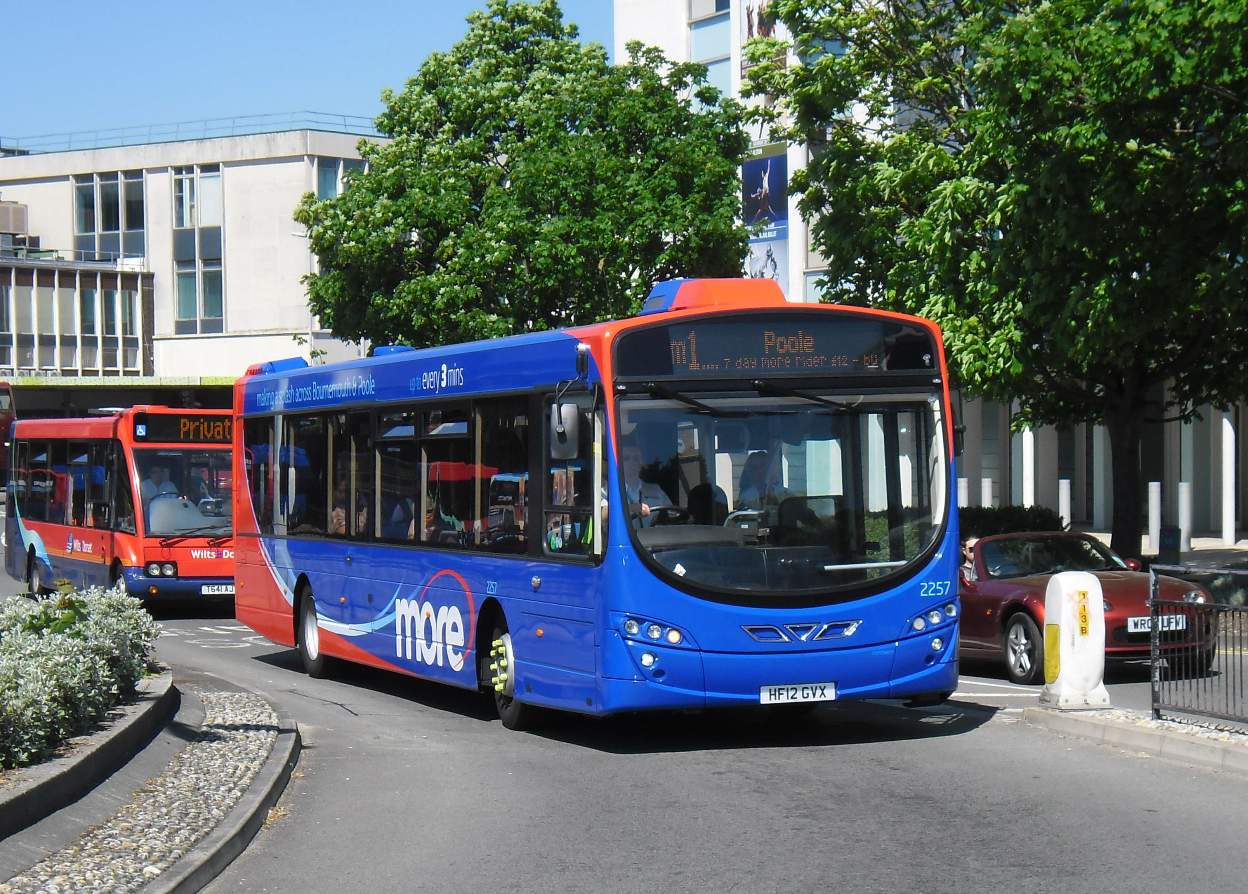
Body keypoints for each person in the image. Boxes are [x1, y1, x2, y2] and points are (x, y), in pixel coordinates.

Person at [620, 444, 670, 524]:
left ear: (641, 463)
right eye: (626, 458)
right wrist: (631, 508)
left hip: (655, 535)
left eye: (636, 458)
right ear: (619, 462)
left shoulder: (655, 490)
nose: (631, 462)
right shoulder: (610, 490)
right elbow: (601, 514)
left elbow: (672, 514)